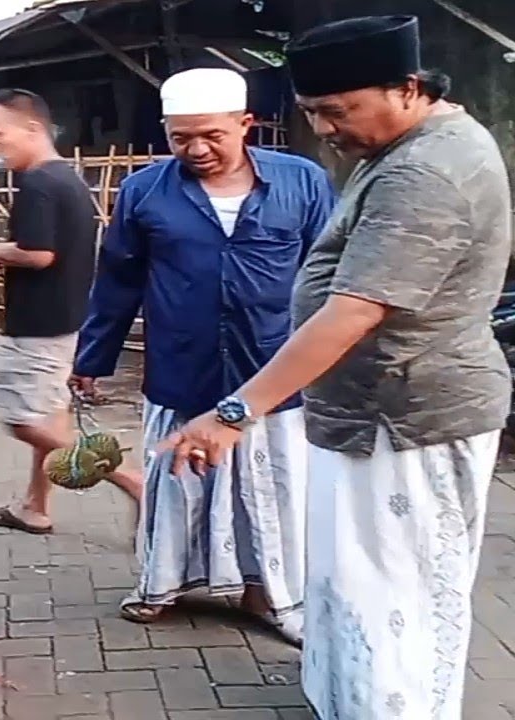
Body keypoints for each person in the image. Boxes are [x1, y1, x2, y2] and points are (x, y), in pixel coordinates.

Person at [159, 16, 511, 719]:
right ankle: (351, 699)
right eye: (313, 112)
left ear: (406, 88)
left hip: (409, 416)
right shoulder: (402, 146)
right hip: (368, 413)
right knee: (355, 579)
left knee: (397, 590)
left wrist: (236, 411)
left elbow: (355, 312)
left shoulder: (429, 170)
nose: (323, 129)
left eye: (336, 110)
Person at [73, 68, 335, 644]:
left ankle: (274, 595)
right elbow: (118, 278)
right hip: (180, 365)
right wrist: (92, 357)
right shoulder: (145, 190)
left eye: (211, 135)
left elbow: (329, 276)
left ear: (246, 124)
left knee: (276, 489)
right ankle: (160, 583)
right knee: (175, 478)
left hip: (271, 370)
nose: (196, 150)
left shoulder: (303, 182)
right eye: (180, 137)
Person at [0, 88, 144, 536]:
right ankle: (35, 506)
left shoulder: (39, 183)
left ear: (32, 128)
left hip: (37, 325)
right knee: (48, 416)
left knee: (23, 421)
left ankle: (133, 480)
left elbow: (39, 255)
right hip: (62, 317)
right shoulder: (64, 177)